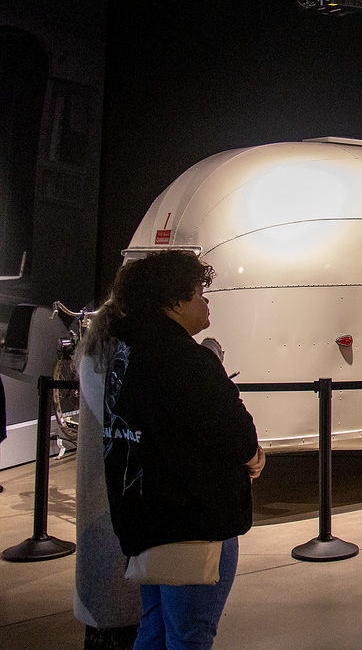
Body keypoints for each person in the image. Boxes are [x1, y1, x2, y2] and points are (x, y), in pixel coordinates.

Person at [102, 250, 265, 650]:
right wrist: (252, 455)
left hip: (144, 518)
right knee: (190, 635)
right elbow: (234, 430)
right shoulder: (183, 360)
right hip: (193, 524)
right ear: (172, 301)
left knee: (155, 627)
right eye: (197, 293)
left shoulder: (125, 353)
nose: (204, 302)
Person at [74, 300, 141, 650]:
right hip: (119, 492)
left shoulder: (92, 357)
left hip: (95, 496)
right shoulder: (123, 360)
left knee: (101, 602)